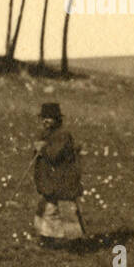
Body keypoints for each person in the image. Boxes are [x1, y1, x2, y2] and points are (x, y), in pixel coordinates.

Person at [33, 102, 85, 243]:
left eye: (49, 118)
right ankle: (48, 237)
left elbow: (54, 155)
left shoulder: (62, 135)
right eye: (43, 117)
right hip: (52, 180)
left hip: (64, 180)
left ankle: (75, 240)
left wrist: (42, 149)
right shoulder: (47, 134)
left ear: (57, 119)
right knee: (48, 209)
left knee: (66, 210)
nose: (45, 120)